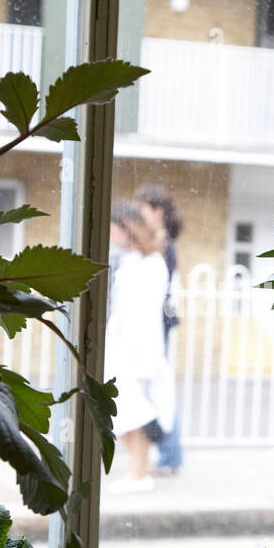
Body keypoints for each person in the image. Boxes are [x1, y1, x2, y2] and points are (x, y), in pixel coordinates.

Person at [104, 202, 176, 493]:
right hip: (124, 349)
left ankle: (139, 474)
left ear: (125, 227)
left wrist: (143, 356)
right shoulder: (130, 258)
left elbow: (145, 313)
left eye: (111, 229)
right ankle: (137, 471)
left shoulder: (151, 263)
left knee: (137, 414)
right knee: (127, 413)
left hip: (139, 351)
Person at [134, 184, 184, 475]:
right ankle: (167, 454)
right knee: (156, 386)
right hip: (153, 324)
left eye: (142, 208)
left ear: (158, 211)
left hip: (155, 326)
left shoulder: (163, 246)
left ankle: (169, 455)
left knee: (159, 386)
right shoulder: (158, 243)